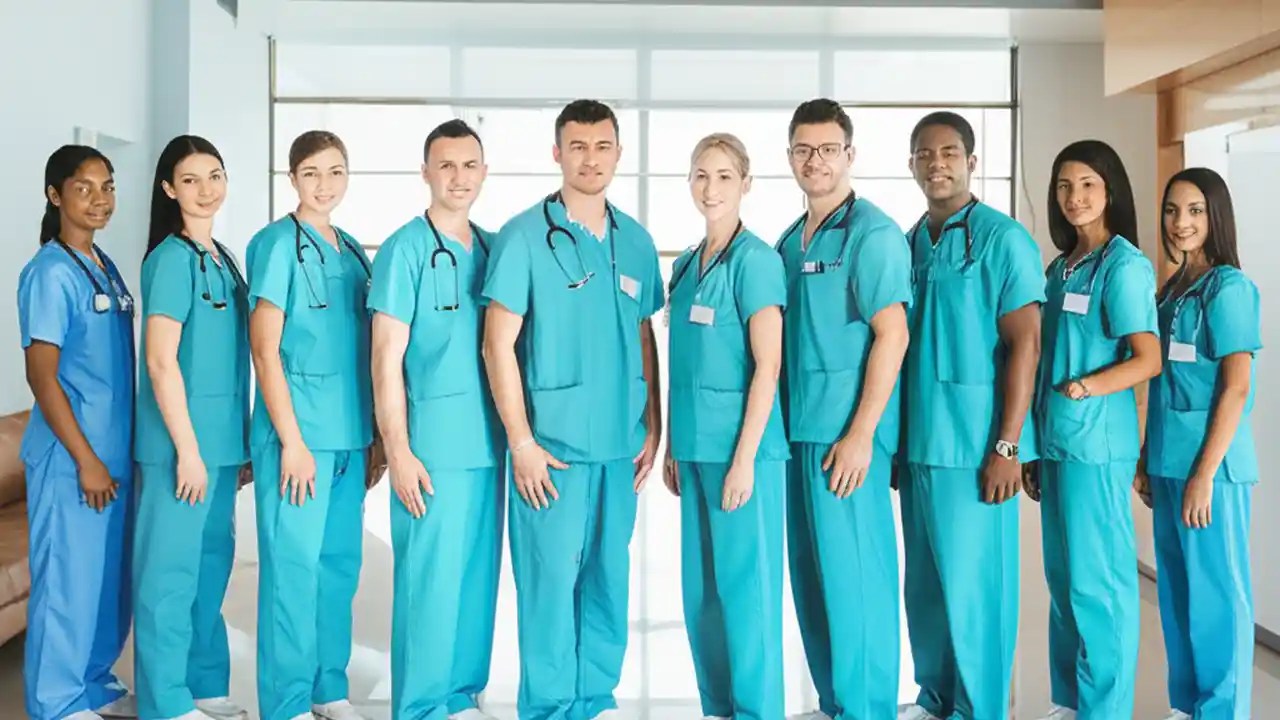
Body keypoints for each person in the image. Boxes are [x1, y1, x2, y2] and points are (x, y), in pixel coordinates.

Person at [481, 99, 663, 720]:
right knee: (550, 589)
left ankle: (595, 701)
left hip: (618, 445)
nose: (591, 158)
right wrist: (523, 443)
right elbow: (496, 343)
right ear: (557, 153)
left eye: (603, 146)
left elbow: (644, 339)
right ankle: (552, 708)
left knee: (609, 582)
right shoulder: (523, 237)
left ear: (618, 152)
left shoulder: (636, 242)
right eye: (578, 147)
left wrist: (654, 423)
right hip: (551, 452)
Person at [897, 112, 1043, 720]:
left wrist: (1007, 447)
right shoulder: (910, 241)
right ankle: (936, 700)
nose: (937, 164)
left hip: (976, 447)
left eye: (950, 152)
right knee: (926, 589)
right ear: (911, 165)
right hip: (922, 445)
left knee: (976, 590)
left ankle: (981, 708)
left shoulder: (1002, 238)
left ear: (972, 162)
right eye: (925, 154)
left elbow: (1026, 343)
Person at [775, 99, 911, 720]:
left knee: (857, 582)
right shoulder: (787, 241)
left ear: (850, 155)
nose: (815, 160)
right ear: (790, 158)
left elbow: (894, 335)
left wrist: (862, 435)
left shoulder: (872, 235)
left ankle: (868, 709)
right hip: (799, 432)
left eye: (828, 149)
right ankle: (836, 704)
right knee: (814, 580)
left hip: (846, 438)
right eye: (804, 149)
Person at [246, 130, 385, 720]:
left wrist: (375, 434)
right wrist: (294, 443)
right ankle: (286, 702)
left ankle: (329, 688)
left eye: (335, 171)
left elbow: (370, 348)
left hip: (350, 435)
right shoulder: (277, 245)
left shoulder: (352, 250)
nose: (323, 185)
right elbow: (264, 349)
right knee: (293, 573)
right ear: (291, 178)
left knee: (338, 569)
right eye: (310, 173)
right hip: (298, 440)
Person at [368, 119, 504, 720]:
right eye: (445, 165)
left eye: (469, 164)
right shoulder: (406, 249)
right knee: (431, 580)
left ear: (484, 171)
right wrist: (397, 450)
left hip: (490, 444)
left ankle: (459, 696)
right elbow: (385, 356)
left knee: (477, 577)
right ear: (425, 172)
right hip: (431, 445)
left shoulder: (496, 249)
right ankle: (421, 706)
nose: (459, 177)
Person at [1028, 140, 1161, 720]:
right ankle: (1070, 701)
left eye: (1087, 184)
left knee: (1097, 586)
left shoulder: (1124, 265)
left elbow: (1148, 357)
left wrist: (1088, 388)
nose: (1074, 197)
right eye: (1064, 186)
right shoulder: (1060, 268)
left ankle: (1104, 708)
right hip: (1056, 445)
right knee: (1062, 583)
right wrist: (1032, 446)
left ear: (1110, 190)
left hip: (1096, 446)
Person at [662, 133, 788, 720]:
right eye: (700, 175)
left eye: (723, 176)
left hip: (746, 456)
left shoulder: (756, 261)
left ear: (746, 184)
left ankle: (757, 711)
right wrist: (670, 444)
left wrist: (744, 459)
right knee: (703, 594)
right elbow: (681, 362)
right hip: (693, 448)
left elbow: (768, 366)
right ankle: (720, 708)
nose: (710, 188)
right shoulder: (686, 265)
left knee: (747, 594)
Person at [132, 135, 253, 720]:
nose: (205, 190)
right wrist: (187, 449)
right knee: (170, 577)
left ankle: (205, 687)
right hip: (179, 450)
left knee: (210, 571)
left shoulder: (224, 258)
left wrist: (240, 443)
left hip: (222, 446)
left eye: (214, 175)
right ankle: (165, 702)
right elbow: (160, 361)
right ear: (168, 189)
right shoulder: (171, 260)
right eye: (190, 180)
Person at [19, 145, 138, 720]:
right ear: (54, 195)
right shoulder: (48, 272)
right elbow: (42, 377)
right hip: (72, 458)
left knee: (105, 578)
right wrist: (86, 458)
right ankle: (56, 702)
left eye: (108, 186)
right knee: (67, 580)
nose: (100, 199)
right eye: (84, 187)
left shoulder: (104, 267)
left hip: (114, 451)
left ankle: (93, 683)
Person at [1142, 168, 1259, 720]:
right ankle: (1186, 707)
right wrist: (1146, 459)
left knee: (1217, 595)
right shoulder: (1170, 291)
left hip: (1210, 472)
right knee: (1178, 594)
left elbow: (1236, 387)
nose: (1181, 222)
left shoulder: (1228, 288)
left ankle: (1222, 710)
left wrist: (1204, 473)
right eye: (1172, 210)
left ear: (1215, 216)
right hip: (1168, 464)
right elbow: (1159, 383)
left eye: (1194, 210)